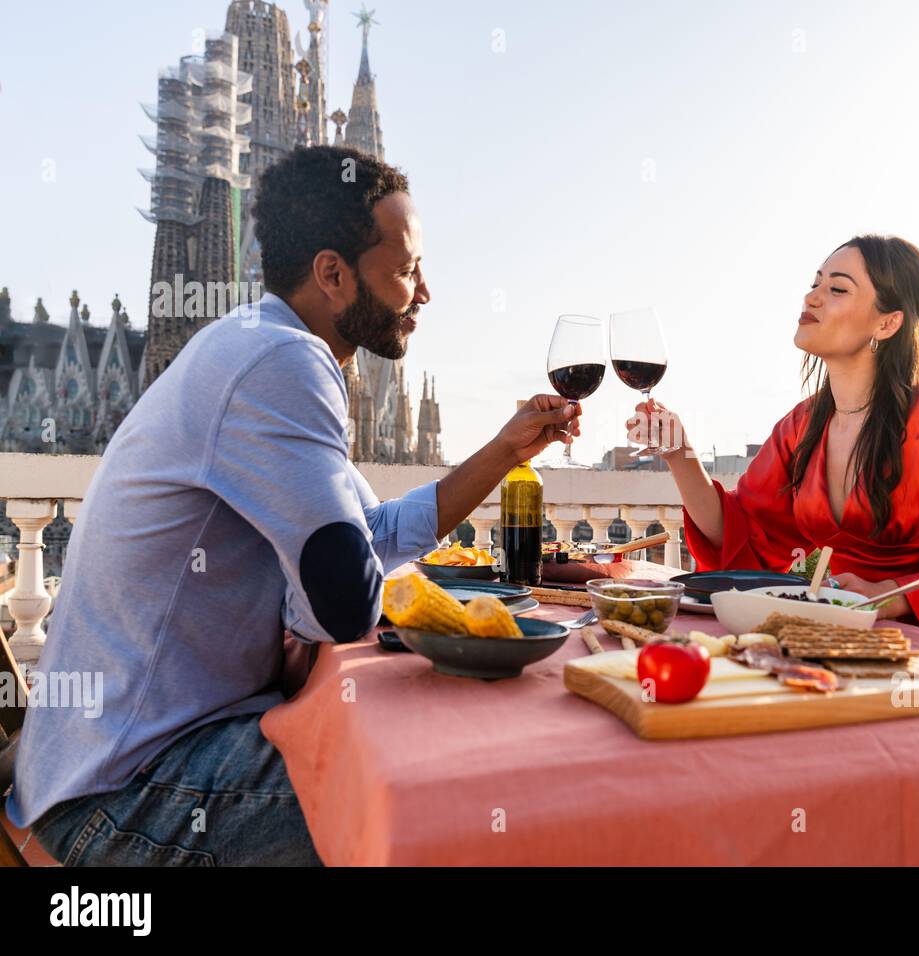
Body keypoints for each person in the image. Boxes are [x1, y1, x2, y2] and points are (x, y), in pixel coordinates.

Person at [9, 145, 582, 865]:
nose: (426, 291)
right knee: (472, 798)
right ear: (334, 275)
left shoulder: (259, 344)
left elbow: (369, 535)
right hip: (128, 791)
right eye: (407, 270)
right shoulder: (282, 362)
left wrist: (504, 450)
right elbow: (342, 602)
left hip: (124, 759)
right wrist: (310, 603)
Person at [627, 234, 919, 643]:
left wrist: (886, 596)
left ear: (887, 322)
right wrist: (679, 454)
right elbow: (739, 534)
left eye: (837, 289)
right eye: (815, 283)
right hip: (824, 633)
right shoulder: (803, 424)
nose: (812, 298)